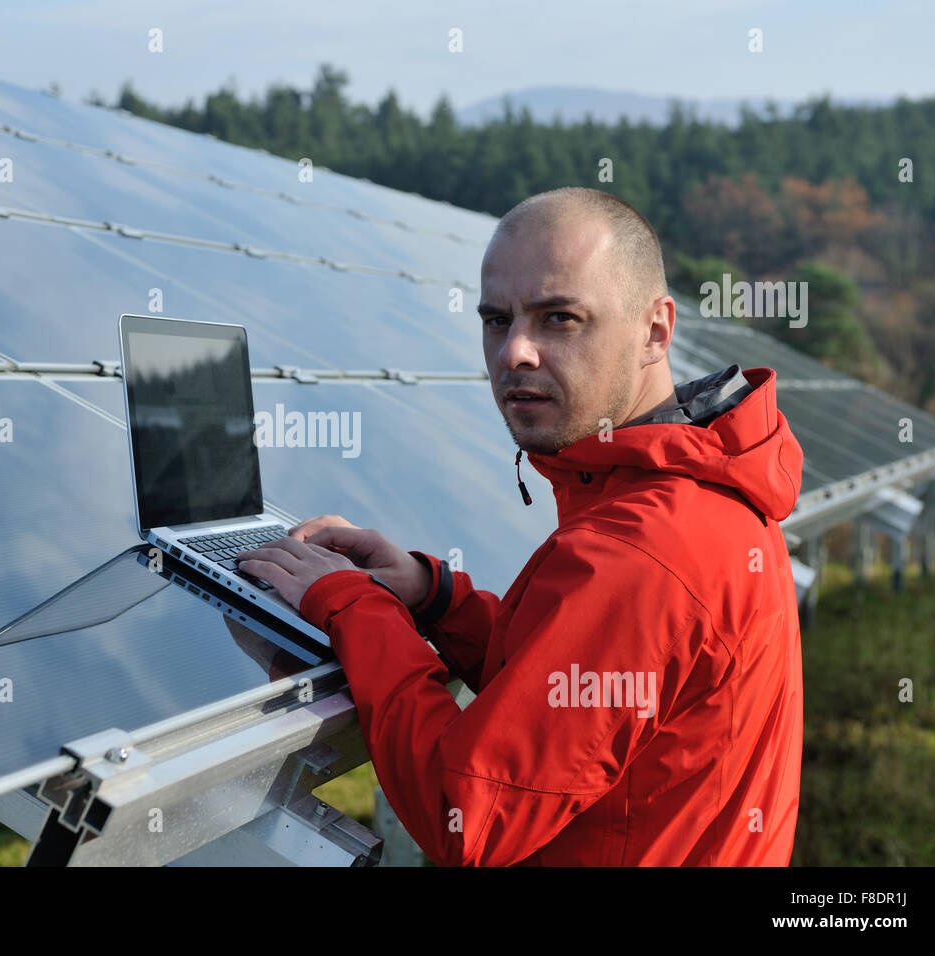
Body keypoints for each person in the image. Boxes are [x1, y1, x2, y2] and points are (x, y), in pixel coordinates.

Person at [234, 187, 805, 866]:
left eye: (559, 318)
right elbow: (580, 696)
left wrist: (352, 605)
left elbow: (467, 817)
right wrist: (434, 599)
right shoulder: (695, 492)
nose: (515, 352)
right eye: (496, 319)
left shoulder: (641, 552)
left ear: (656, 329)